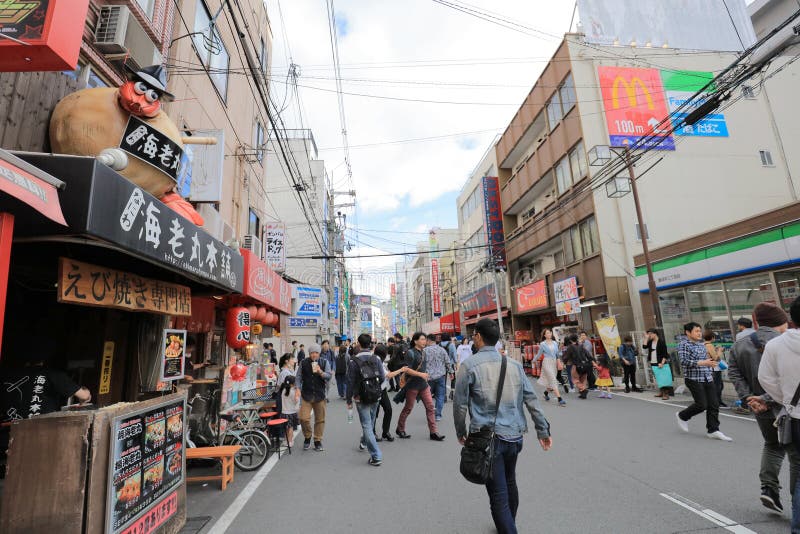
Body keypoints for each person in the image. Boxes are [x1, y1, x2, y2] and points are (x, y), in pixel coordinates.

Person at [454, 318, 552, 534]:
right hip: (515, 436)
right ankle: (508, 523)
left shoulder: (469, 365)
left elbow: (460, 405)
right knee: (510, 481)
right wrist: (542, 431)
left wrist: (461, 432)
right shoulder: (515, 365)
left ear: (478, 336)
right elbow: (532, 400)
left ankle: (508, 528)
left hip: (487, 439)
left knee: (498, 493)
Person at [730, 302, 797, 515]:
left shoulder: (739, 344)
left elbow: (734, 372)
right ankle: (796, 507)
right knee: (795, 456)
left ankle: (769, 487)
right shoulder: (784, 342)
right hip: (789, 407)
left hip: (760, 407)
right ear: (781, 320)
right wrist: (768, 398)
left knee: (772, 445)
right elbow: (786, 379)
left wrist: (749, 397)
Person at [758, 297, 800, 531]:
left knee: (797, 466)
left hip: (793, 416)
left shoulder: (777, 345)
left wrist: (786, 399)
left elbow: (765, 378)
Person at [675, 322, 732, 441]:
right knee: (701, 405)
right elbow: (684, 361)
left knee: (714, 404)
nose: (699, 333)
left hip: (707, 377)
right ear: (688, 332)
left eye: (700, 331)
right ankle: (682, 416)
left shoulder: (701, 344)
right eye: (696, 331)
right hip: (693, 379)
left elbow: (706, 360)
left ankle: (713, 430)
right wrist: (703, 363)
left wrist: (710, 363)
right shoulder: (683, 344)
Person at [395, 332, 445, 441]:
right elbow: (407, 369)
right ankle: (400, 428)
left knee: (430, 407)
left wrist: (425, 375)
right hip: (412, 385)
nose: (424, 341)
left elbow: (423, 367)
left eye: (425, 339)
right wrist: (420, 374)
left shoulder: (424, 352)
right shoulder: (410, 353)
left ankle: (433, 432)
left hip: (423, 385)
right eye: (422, 339)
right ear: (415, 341)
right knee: (408, 408)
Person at [346, 334, 385, 466]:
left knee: (367, 425)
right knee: (370, 423)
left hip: (360, 397)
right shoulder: (376, 359)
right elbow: (383, 377)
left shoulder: (353, 361)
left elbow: (350, 382)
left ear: (358, 344)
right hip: (376, 396)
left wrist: (348, 399)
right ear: (371, 344)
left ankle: (376, 455)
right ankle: (364, 441)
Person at [296, 343, 331, 451]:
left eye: (316, 353)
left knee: (320, 420)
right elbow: (298, 376)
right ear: (309, 353)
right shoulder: (303, 362)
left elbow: (329, 376)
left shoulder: (324, 362)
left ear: (319, 353)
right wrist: (297, 388)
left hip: (320, 395)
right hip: (306, 395)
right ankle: (307, 436)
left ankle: (317, 440)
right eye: (312, 353)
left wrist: (321, 372)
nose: (314, 355)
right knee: (303, 418)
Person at [373, 344, 406, 442]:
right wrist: (401, 370)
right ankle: (373, 433)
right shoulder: (377, 360)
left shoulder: (377, 359)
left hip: (382, 389)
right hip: (375, 390)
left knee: (388, 409)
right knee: (375, 413)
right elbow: (388, 375)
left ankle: (385, 432)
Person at [536, 329, 566, 406]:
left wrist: (559, 362)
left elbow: (557, 354)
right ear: (544, 335)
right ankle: (560, 399)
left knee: (551, 380)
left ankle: (545, 393)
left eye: (550, 333)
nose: (549, 334)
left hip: (554, 363)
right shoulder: (542, 344)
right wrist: (533, 360)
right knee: (553, 379)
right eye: (547, 333)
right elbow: (539, 354)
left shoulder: (555, 343)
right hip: (546, 362)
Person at [424, 334, 450, 421]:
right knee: (440, 396)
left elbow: (421, 364)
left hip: (429, 377)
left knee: (428, 396)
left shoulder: (424, 351)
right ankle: (438, 415)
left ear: (428, 340)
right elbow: (447, 361)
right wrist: (451, 372)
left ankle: (431, 413)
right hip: (440, 376)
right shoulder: (442, 350)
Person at [277, 353, 299, 444]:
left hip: (285, 403)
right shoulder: (285, 373)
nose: (294, 361)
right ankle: (288, 440)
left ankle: (287, 439)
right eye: (292, 359)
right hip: (287, 405)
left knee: (287, 425)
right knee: (288, 425)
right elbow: (281, 386)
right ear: (287, 361)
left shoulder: (287, 371)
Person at [644, 328, 671, 400]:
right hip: (653, 362)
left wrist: (662, 363)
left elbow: (665, 354)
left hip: (660, 362)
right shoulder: (650, 342)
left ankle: (666, 394)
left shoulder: (661, 342)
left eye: (650, 334)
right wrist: (646, 338)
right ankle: (661, 392)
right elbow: (644, 346)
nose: (649, 335)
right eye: (648, 334)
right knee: (658, 377)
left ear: (655, 333)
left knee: (664, 378)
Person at [563, 334, 593, 399]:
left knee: (575, 379)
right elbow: (588, 354)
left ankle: (583, 389)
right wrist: (591, 360)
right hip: (584, 365)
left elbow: (567, 356)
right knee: (583, 379)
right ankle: (582, 394)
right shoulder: (581, 345)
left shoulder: (570, 347)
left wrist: (564, 362)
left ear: (570, 340)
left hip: (576, 365)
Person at [703, 330, 727, 408]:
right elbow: (716, 358)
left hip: (707, 367)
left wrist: (715, 350)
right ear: (712, 337)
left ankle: (713, 401)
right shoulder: (709, 345)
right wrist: (720, 351)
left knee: (716, 385)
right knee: (718, 385)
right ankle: (717, 402)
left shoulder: (703, 344)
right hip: (713, 368)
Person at [440, 333, 458, 401]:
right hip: (450, 364)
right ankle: (452, 393)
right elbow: (454, 355)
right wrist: (456, 363)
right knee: (453, 379)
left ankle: (444, 395)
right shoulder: (451, 344)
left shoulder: (439, 345)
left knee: (443, 380)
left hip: (442, 365)